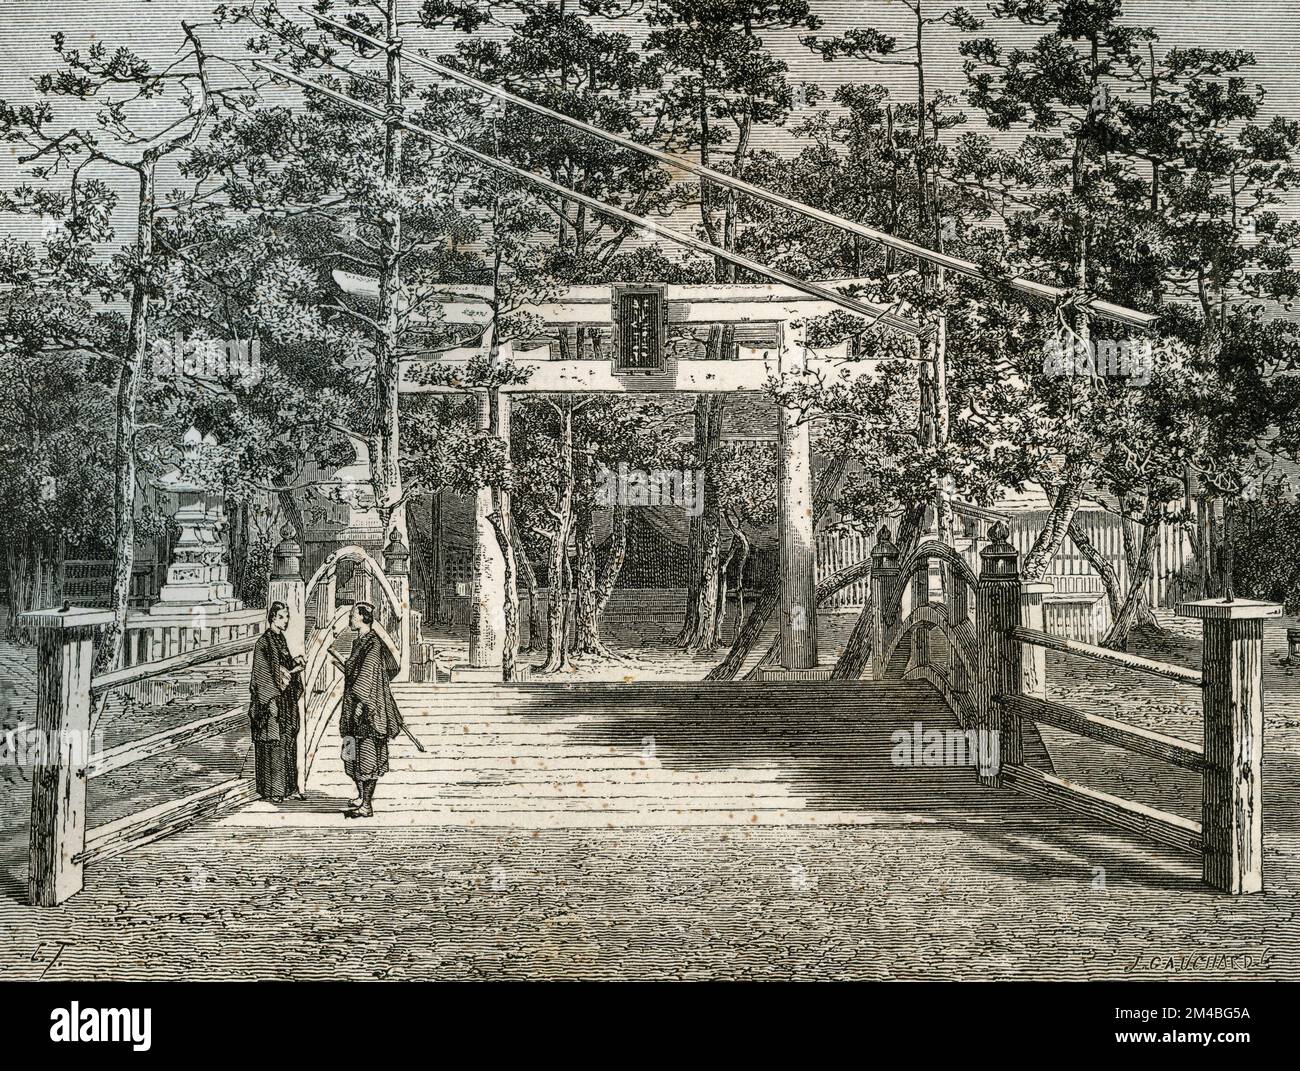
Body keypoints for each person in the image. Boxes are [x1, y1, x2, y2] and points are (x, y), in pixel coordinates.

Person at [333, 601, 405, 818]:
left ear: (363, 618)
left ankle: (366, 804)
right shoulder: (360, 642)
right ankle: (360, 795)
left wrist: (372, 691)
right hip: (354, 704)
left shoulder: (373, 644)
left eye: (353, 615)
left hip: (366, 710)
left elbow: (369, 676)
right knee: (351, 753)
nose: (350, 618)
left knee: (367, 755)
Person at [248, 600, 305, 802]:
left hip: (285, 699)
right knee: (273, 743)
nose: (286, 620)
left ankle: (290, 788)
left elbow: (284, 664)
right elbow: (262, 675)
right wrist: (271, 700)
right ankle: (274, 791)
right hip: (271, 701)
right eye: (282, 617)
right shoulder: (263, 643)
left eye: (287, 616)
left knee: (288, 741)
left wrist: (294, 663)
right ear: (272, 617)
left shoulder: (280, 640)